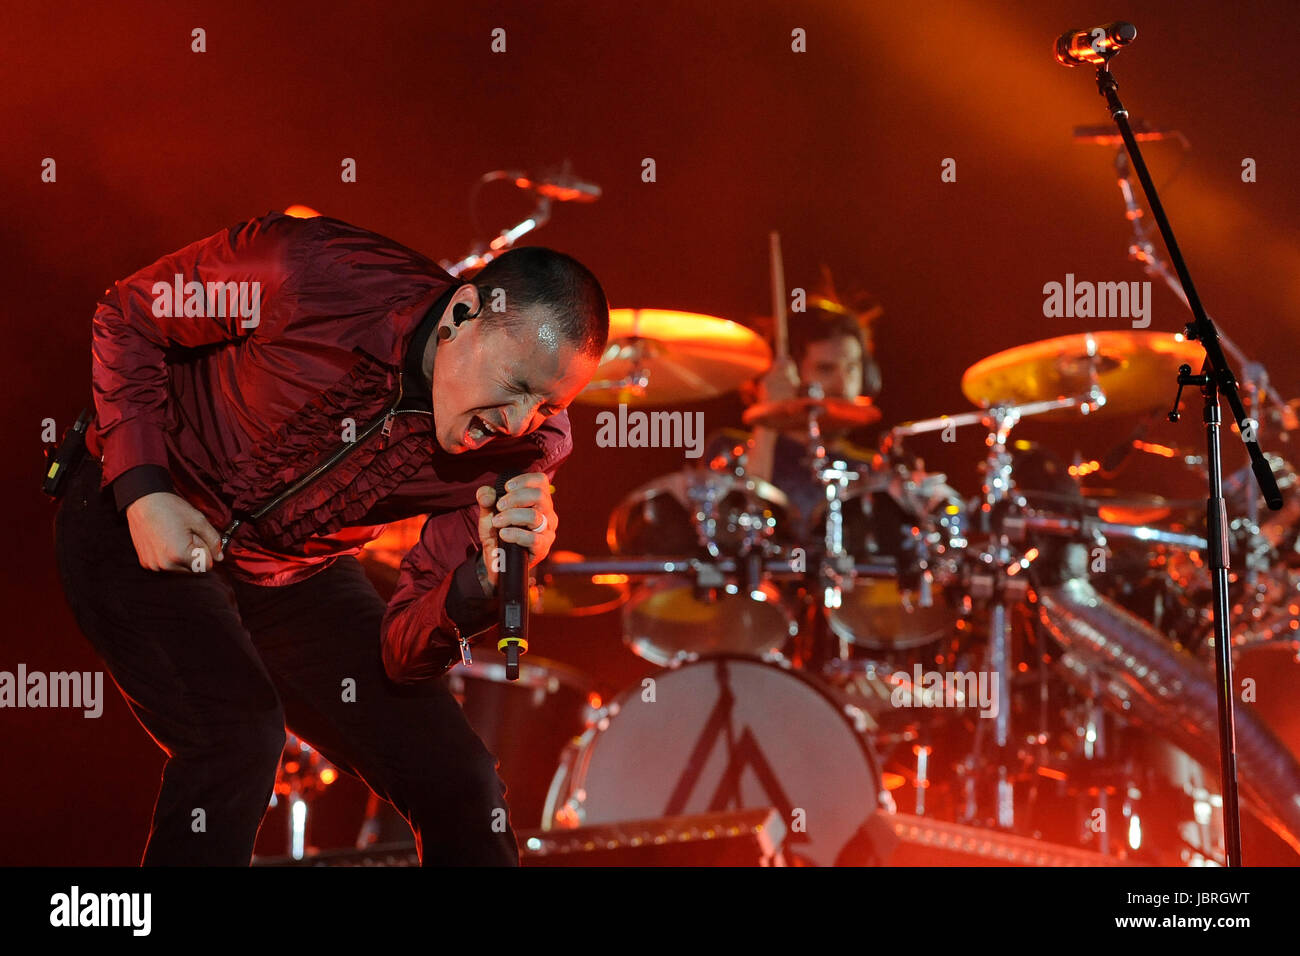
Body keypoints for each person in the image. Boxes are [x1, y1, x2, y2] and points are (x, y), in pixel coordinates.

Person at [52, 210, 607, 866]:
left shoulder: (528, 452)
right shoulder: (310, 269)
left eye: (547, 404)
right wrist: (145, 490)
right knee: (237, 737)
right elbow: (129, 315)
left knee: (462, 781)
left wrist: (479, 584)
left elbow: (405, 654)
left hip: (296, 574)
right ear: (462, 315)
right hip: (134, 509)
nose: (519, 421)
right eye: (515, 386)